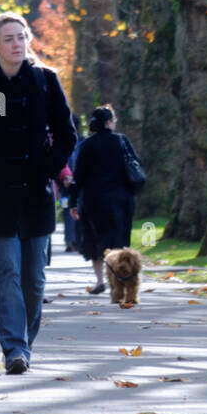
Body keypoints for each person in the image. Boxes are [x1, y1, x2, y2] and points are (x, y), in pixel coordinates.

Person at [0, 12, 77, 373]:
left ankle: (26, 342)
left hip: (36, 193)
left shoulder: (45, 80)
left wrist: (47, 169)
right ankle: (14, 350)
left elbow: (67, 134)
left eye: (22, 37)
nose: (17, 44)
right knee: (6, 271)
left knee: (34, 280)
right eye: (8, 38)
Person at [70, 104, 142, 294]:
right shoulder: (121, 141)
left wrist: (72, 202)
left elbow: (78, 176)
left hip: (95, 201)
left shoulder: (87, 145)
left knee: (96, 241)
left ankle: (100, 280)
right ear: (109, 122)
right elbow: (137, 164)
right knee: (120, 240)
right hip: (122, 198)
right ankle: (121, 281)